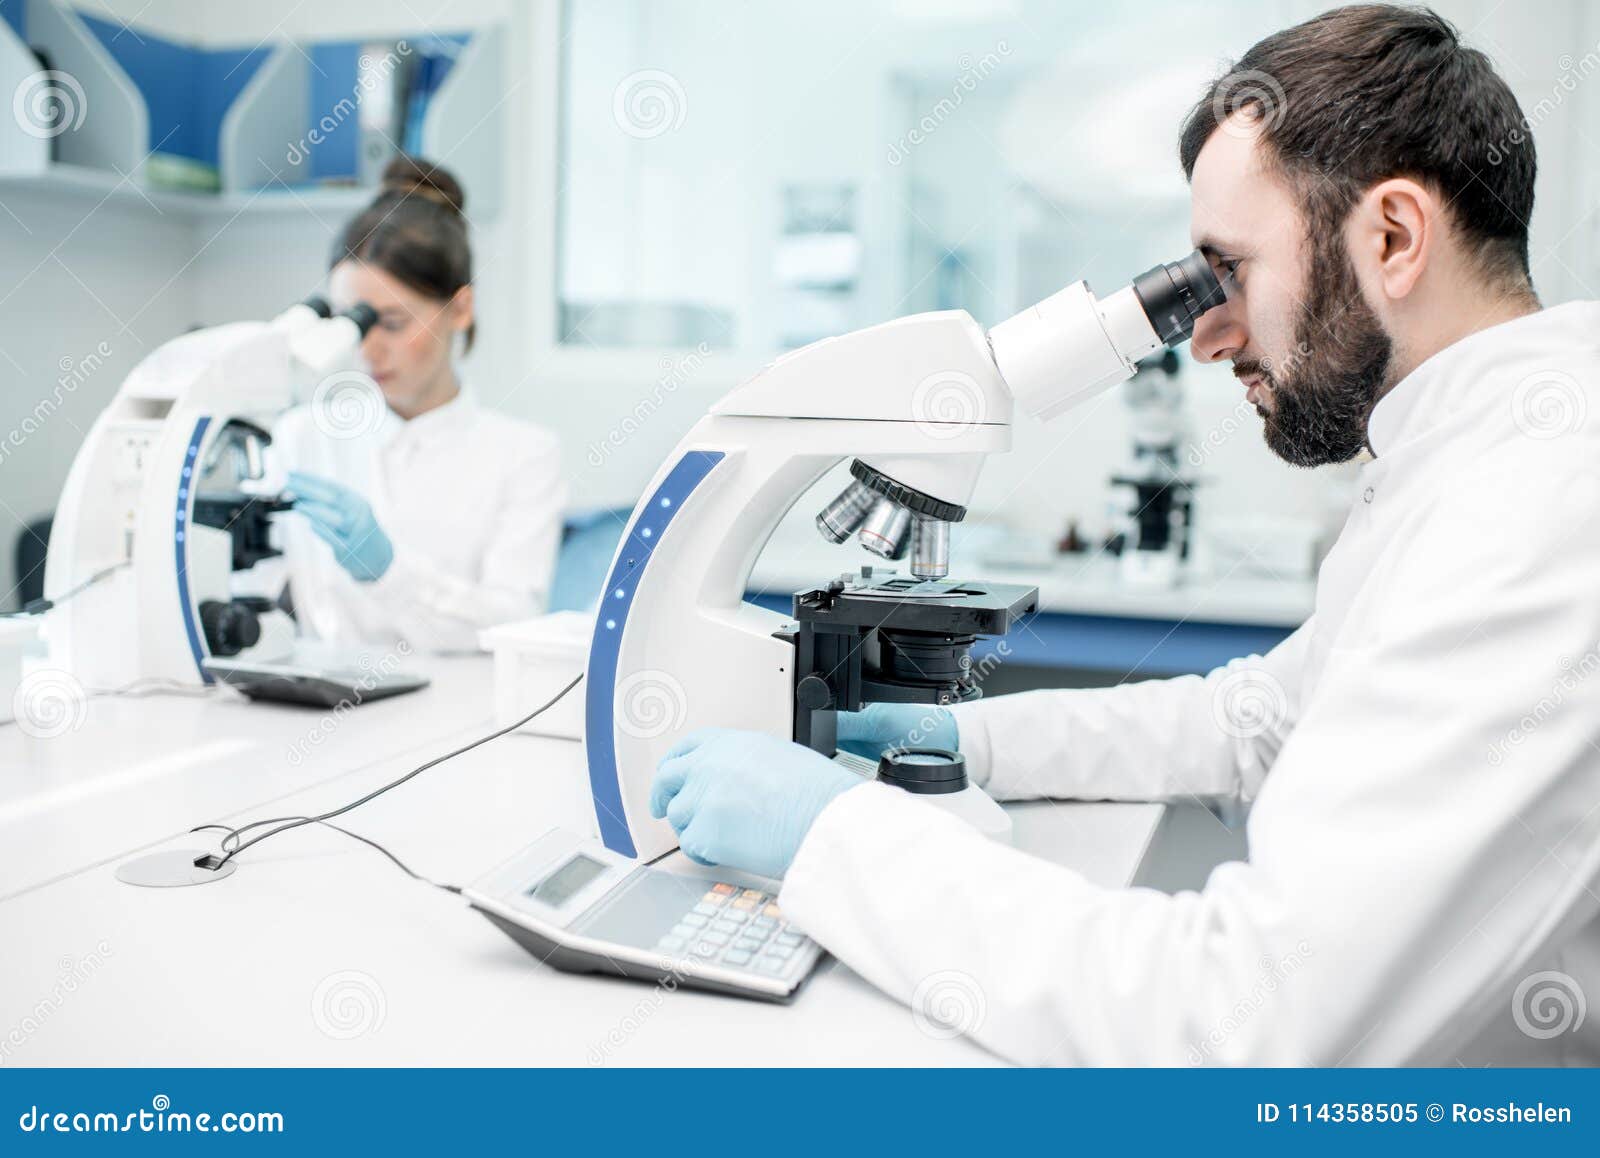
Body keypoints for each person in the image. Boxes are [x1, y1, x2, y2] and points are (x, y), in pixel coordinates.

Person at [649, 5, 1600, 1065]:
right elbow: (1263, 719)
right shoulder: (1463, 446)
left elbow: (1240, 1018)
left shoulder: (1532, 505)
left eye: (1226, 270)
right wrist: (967, 744)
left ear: (1390, 237)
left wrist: (831, 835)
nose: (1202, 334)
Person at [272, 156, 566, 653]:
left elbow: (510, 628)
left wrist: (391, 574)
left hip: (460, 719)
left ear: (460, 309)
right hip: (315, 714)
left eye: (391, 322)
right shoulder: (301, 437)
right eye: (354, 322)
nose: (367, 348)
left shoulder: (525, 456)